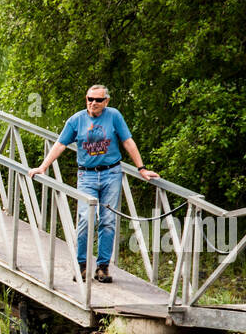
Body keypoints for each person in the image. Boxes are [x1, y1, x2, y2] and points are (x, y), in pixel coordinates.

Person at [28, 85, 159, 283]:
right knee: (85, 220)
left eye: (98, 100)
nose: (93, 103)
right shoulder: (77, 120)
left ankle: (103, 267)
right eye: (90, 99)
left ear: (106, 101)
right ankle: (82, 265)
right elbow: (60, 144)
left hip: (111, 173)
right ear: (86, 99)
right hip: (87, 176)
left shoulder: (114, 116)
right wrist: (43, 166)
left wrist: (141, 168)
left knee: (107, 221)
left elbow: (128, 141)